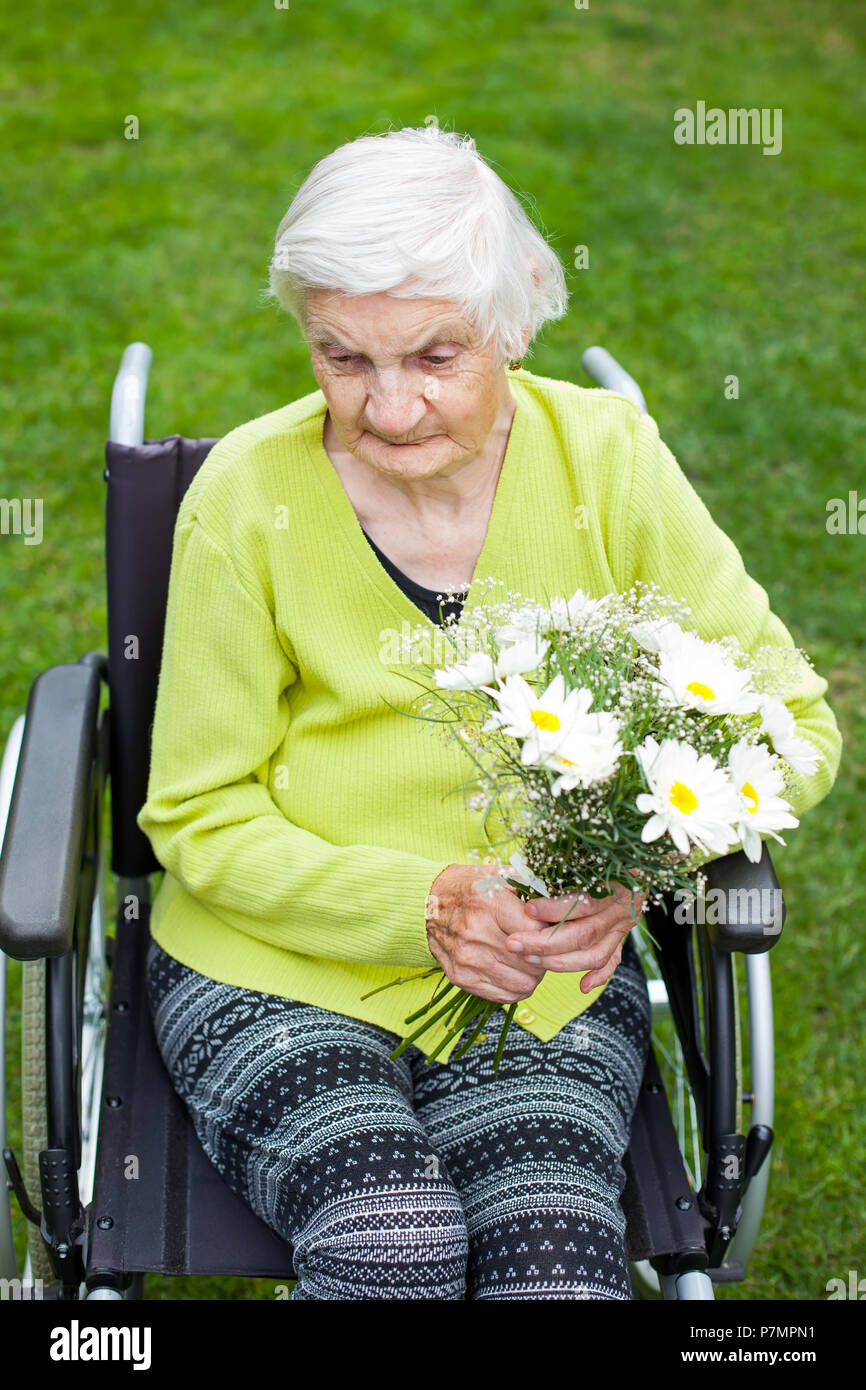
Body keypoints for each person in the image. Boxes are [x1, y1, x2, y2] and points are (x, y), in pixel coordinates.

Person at [138, 125, 841, 1300]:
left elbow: (790, 726)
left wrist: (638, 868)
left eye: (433, 355)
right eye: (341, 357)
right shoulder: (247, 498)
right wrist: (418, 904)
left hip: (541, 977)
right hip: (274, 962)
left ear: (511, 327)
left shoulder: (605, 460)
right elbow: (198, 813)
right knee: (387, 1241)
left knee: (555, 1274)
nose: (390, 407)